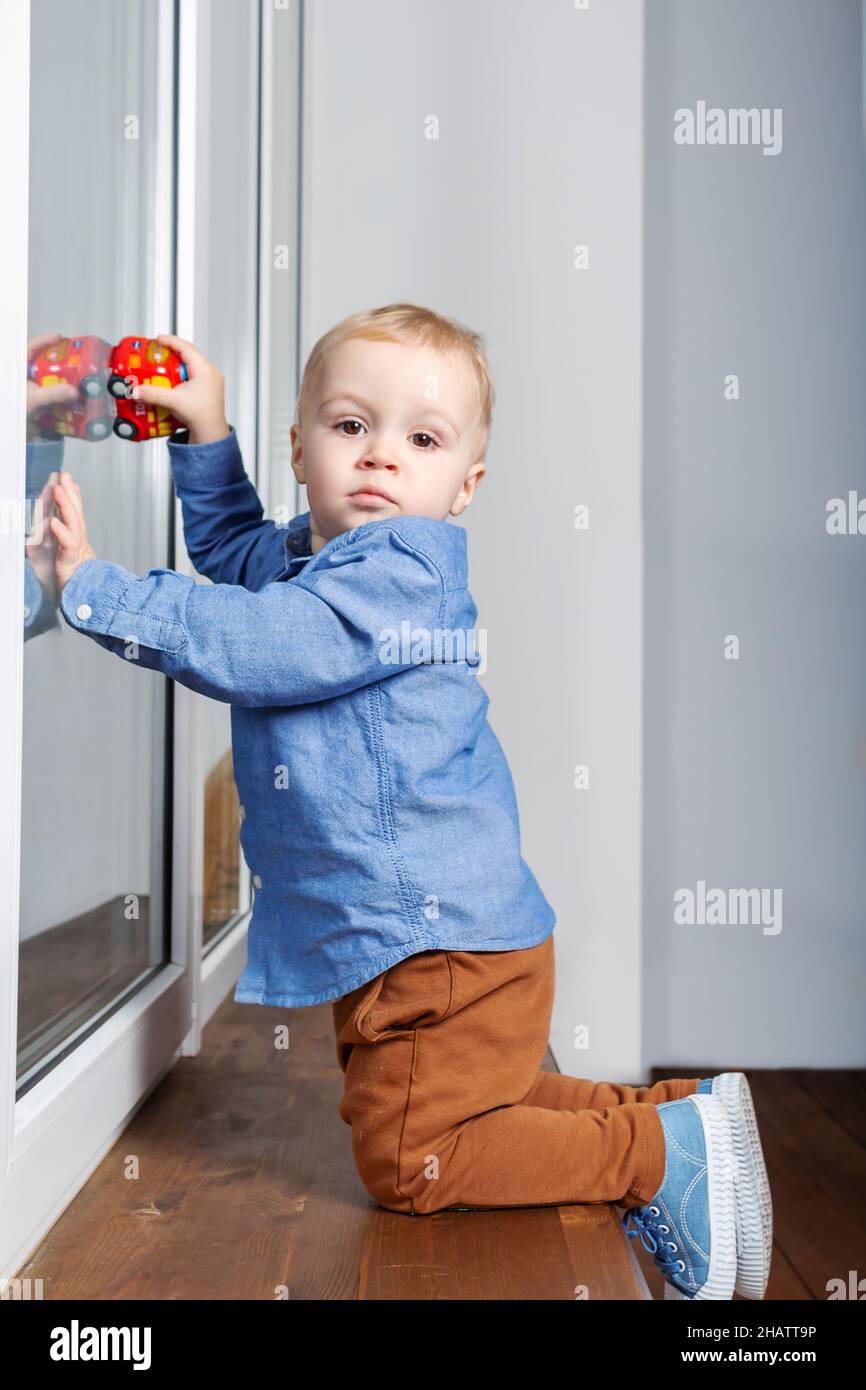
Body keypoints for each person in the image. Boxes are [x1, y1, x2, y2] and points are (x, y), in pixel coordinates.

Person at [50, 303, 772, 1299]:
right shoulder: (323, 560)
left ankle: (647, 1152)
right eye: (350, 426)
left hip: (434, 947)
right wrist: (203, 430)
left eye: (420, 439)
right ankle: (689, 1115)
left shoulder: (397, 574)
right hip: (452, 936)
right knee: (492, 1096)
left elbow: (257, 642)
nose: (380, 456)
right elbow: (238, 561)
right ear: (300, 449)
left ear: (462, 484)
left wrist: (93, 586)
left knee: (413, 1158)